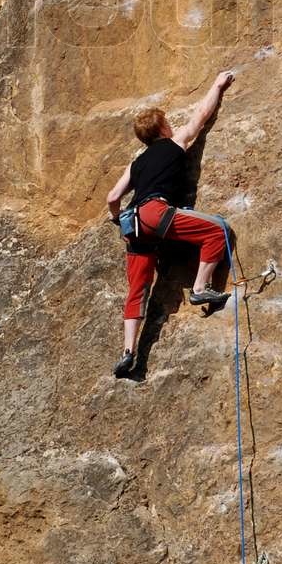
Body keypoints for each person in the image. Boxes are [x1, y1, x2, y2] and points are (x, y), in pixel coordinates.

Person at [106, 70, 236, 378]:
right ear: (164, 127)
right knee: (217, 230)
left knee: (137, 289)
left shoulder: (136, 163)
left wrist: (116, 219)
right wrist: (217, 85)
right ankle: (201, 288)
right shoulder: (174, 142)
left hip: (134, 225)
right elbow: (199, 119)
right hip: (155, 213)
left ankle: (128, 353)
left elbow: (113, 196)